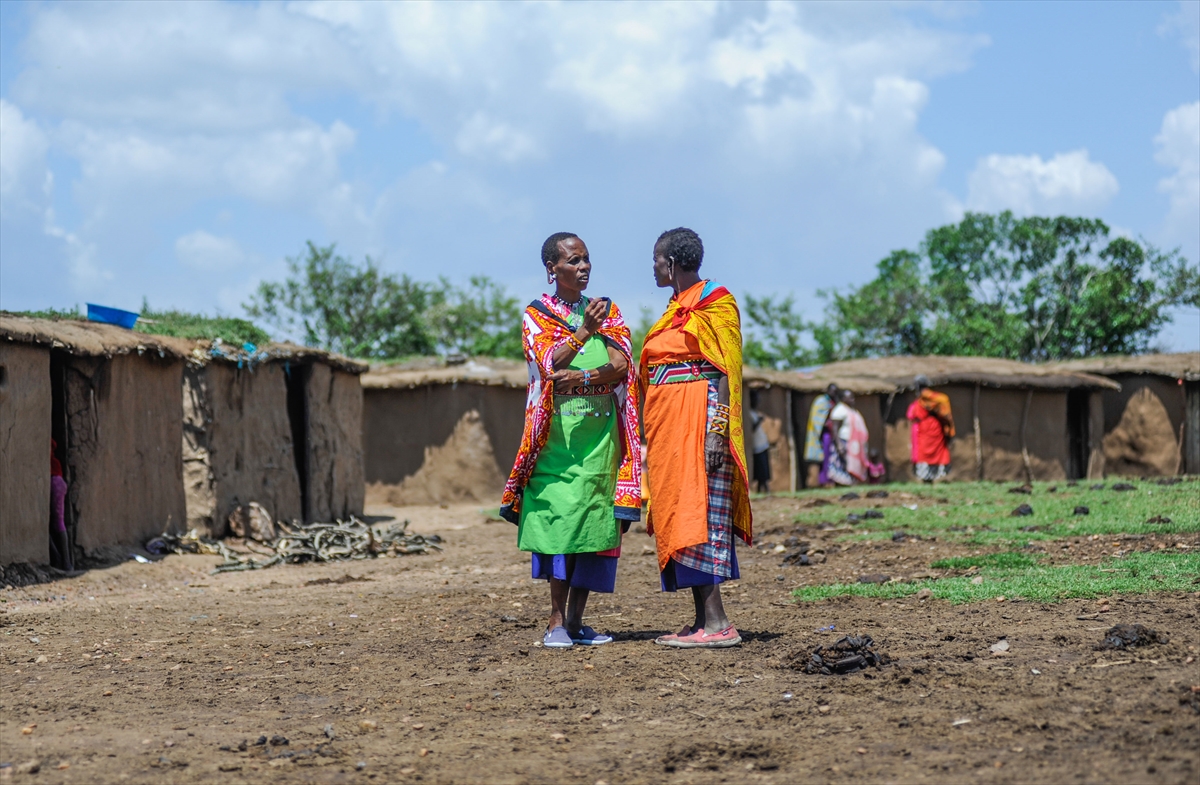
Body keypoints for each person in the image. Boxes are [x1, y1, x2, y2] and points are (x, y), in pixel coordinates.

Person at [500, 232, 641, 649]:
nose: (583, 267)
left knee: (596, 524)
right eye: (573, 261)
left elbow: (622, 364)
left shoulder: (606, 310)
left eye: (586, 259)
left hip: (601, 438)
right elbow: (547, 364)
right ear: (552, 268)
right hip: (556, 438)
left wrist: (582, 377)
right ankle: (555, 622)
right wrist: (583, 333)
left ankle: (577, 623)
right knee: (559, 524)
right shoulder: (536, 315)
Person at [640, 227, 752, 649]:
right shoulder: (674, 308)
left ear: (671, 263)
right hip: (670, 424)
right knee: (678, 511)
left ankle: (719, 622)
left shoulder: (715, 303)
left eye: (656, 259)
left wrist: (717, 432)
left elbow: (725, 372)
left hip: (700, 418)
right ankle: (701, 621)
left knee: (700, 514)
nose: (652, 267)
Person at [906, 374, 954, 482]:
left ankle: (933, 478)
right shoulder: (923, 399)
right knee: (924, 453)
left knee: (929, 453)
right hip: (926, 429)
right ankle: (928, 478)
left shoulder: (928, 397)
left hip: (931, 428)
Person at [804, 384, 839, 487]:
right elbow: (817, 419)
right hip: (820, 434)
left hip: (828, 434)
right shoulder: (821, 401)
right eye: (832, 391)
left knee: (827, 458)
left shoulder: (832, 402)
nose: (833, 393)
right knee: (817, 461)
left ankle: (826, 481)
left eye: (835, 392)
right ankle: (815, 483)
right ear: (827, 390)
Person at [49, 439, 72, 571]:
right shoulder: (55, 462)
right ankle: (63, 560)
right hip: (59, 485)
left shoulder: (51, 462)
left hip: (55, 485)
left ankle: (64, 561)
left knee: (57, 523)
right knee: (57, 523)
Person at [748, 390, 771, 493]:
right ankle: (763, 489)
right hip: (756, 446)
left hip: (762, 445)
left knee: (764, 470)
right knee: (760, 470)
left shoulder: (754, 412)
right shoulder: (749, 413)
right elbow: (750, 428)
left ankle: (765, 489)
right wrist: (759, 421)